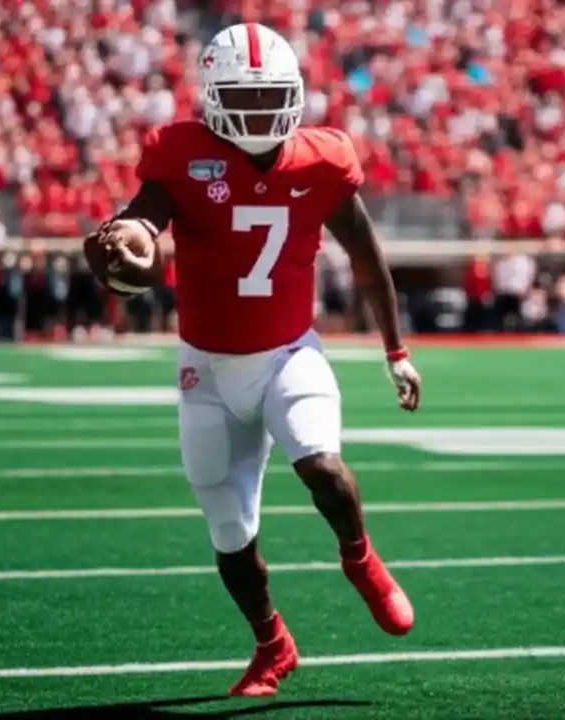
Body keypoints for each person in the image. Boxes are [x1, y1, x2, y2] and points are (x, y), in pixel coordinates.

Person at [84, 23, 422, 698]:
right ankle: (273, 644)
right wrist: (127, 237)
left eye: (272, 99)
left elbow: (364, 253)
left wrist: (396, 349)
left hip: (288, 353)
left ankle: (360, 560)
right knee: (231, 532)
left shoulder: (323, 160)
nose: (261, 114)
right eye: (246, 98)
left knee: (320, 462)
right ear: (212, 97)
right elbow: (143, 218)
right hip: (206, 370)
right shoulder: (180, 154)